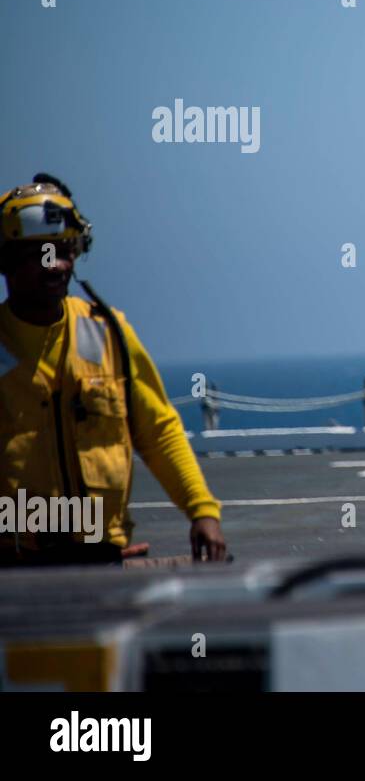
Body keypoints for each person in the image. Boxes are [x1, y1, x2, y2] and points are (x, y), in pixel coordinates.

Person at [0, 174, 226, 566]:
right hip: (14, 565)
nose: (56, 266)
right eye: (40, 254)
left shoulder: (109, 333)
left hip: (102, 559)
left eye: (64, 250)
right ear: (6, 261)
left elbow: (158, 430)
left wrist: (202, 511)